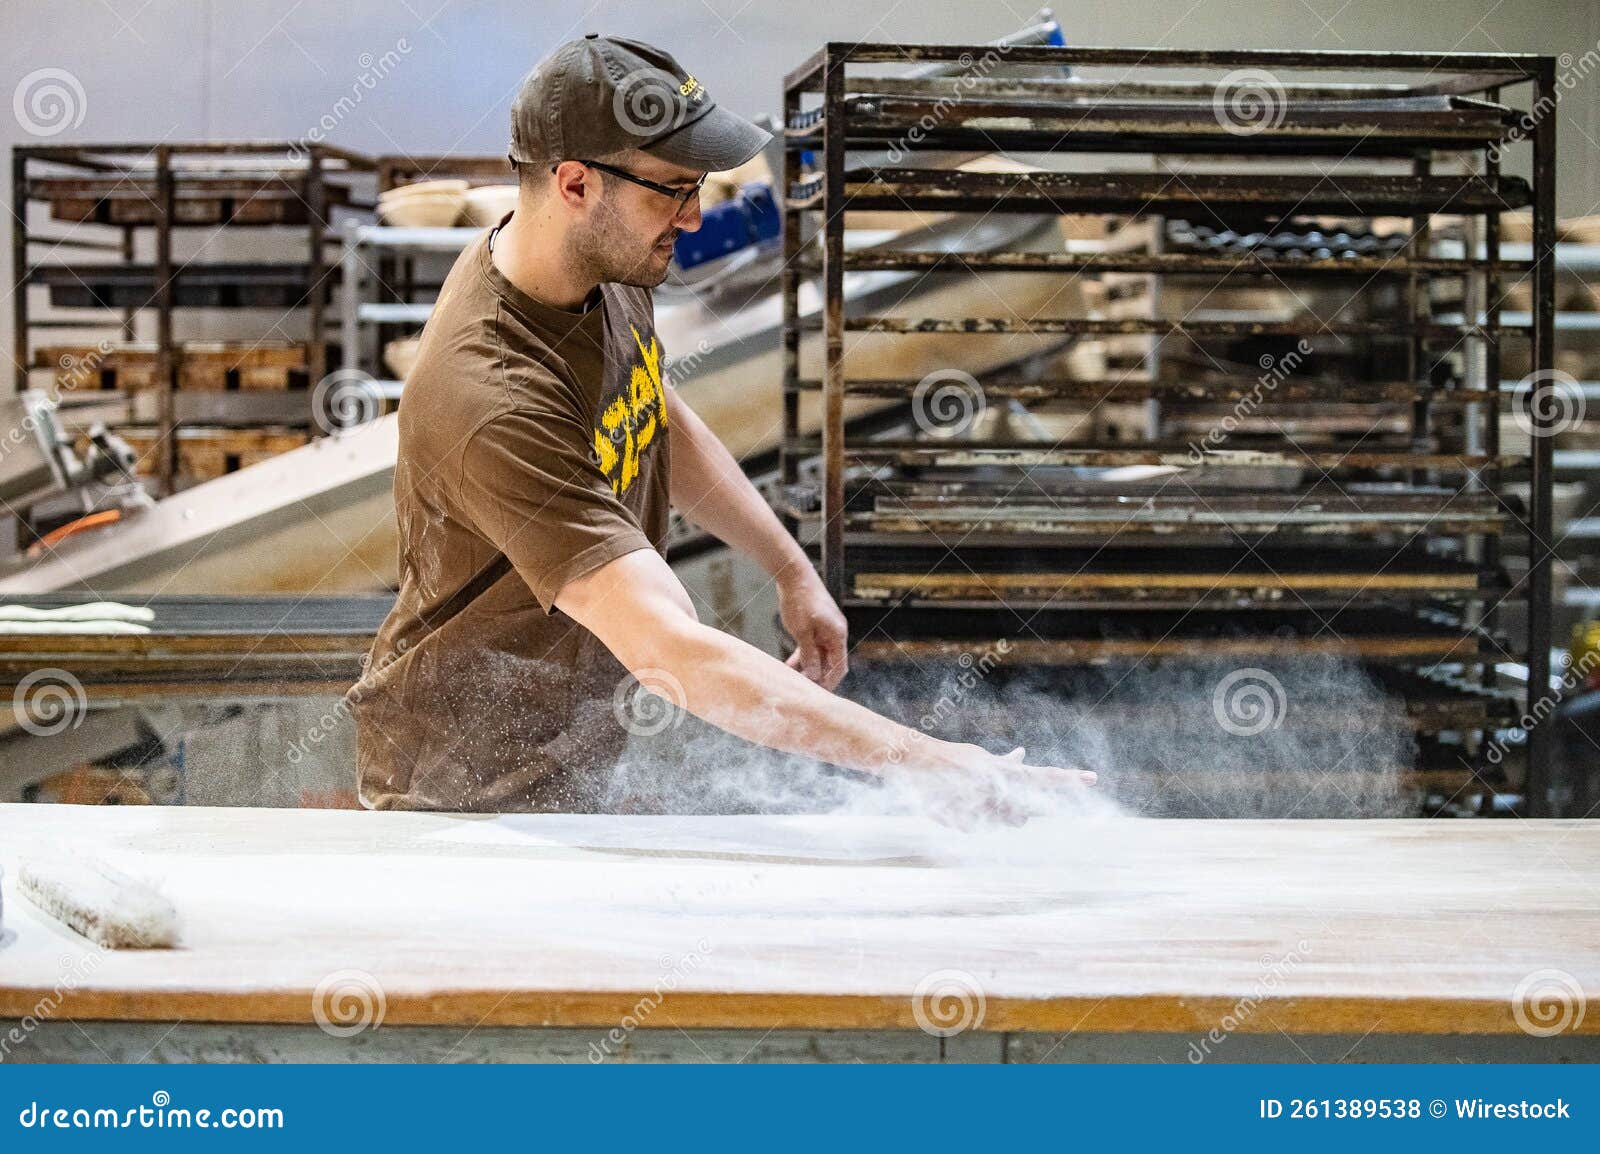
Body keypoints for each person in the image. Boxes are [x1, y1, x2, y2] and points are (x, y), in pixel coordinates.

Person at [347, 34, 1094, 824]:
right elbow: (671, 647)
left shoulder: (595, 266)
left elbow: (654, 412)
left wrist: (789, 567)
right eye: (673, 189)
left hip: (557, 761)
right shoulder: (489, 394)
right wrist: (931, 763)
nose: (695, 216)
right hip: (455, 795)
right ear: (574, 183)